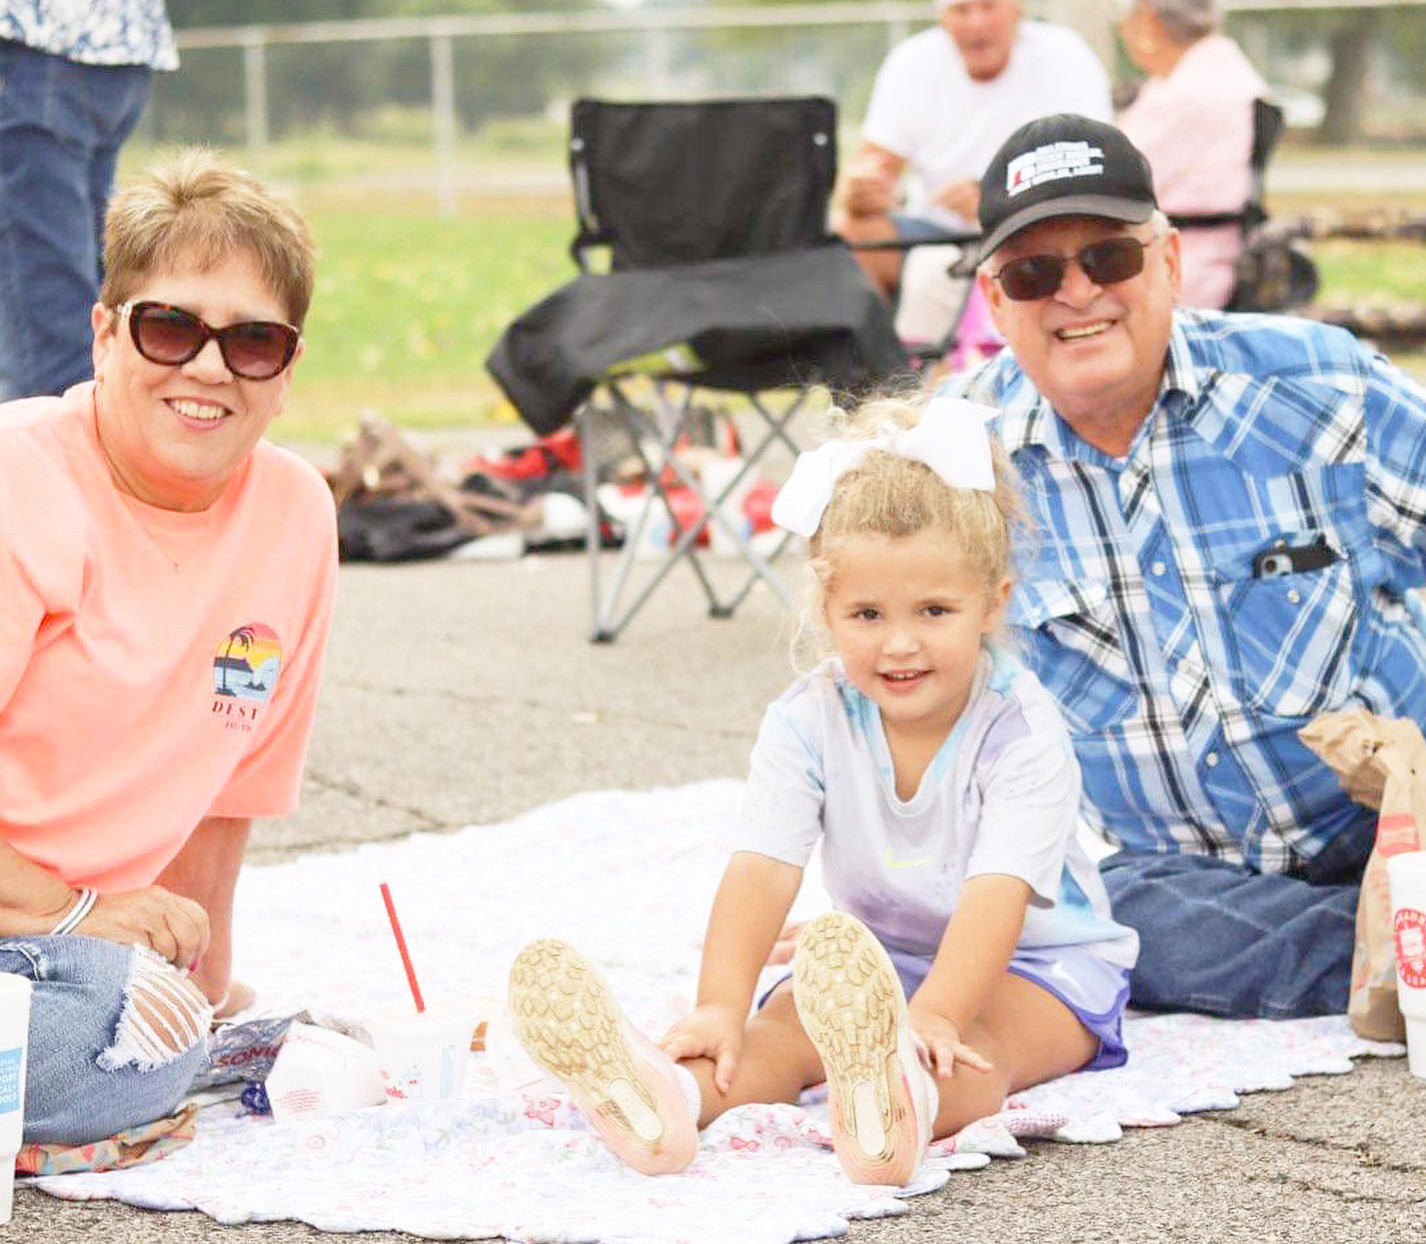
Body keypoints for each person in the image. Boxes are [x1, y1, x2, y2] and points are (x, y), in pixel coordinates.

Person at [506, 391, 1138, 1184]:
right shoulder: (809, 717)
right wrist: (718, 1009)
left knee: (975, 1050)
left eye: (935, 610)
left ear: (993, 604)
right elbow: (762, 867)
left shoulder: (1021, 732)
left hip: (1038, 967)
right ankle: (663, 1098)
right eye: (867, 613)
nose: (900, 642)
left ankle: (896, 1105)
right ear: (826, 608)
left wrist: (933, 1014)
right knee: (773, 1038)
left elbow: (997, 894)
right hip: (872, 966)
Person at [944, 111, 1426, 1019]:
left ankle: (1389, 939)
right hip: (1183, 884)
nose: (1077, 292)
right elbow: (915, 701)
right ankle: (1383, 950)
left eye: (1110, 259)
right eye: (1035, 272)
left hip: (1397, 815)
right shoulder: (961, 466)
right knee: (1107, 915)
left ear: (1167, 262)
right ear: (996, 301)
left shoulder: (1321, 386)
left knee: (1103, 943)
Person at [0, 149, 336, 1144]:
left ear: (286, 370)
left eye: (252, 342)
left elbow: (228, 793)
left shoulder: (296, 512)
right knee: (128, 1034)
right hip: (54, 923)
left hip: (72, 955)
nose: (206, 367)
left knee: (149, 1025)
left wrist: (206, 988)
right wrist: (70, 911)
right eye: (170, 325)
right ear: (104, 334)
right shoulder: (21, 482)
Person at [834, 0, 1111, 306]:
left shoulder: (1066, 55)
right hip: (935, 233)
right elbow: (874, 163)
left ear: (1017, 9)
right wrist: (859, 192)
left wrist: (996, 202)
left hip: (1034, 227)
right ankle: (885, 351)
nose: (976, 23)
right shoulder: (911, 62)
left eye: (989, 6)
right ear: (943, 18)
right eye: (961, 10)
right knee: (852, 233)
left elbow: (1093, 167)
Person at [0, 1, 176, 402]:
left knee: (49, 350)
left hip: (38, 46)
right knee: (93, 321)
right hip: (109, 43)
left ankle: (60, 462)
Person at [1115, 0, 1267, 308]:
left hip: (1187, 266)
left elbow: (1117, 176)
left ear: (1149, 19)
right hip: (1186, 251)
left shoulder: (1193, 93)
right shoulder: (1209, 70)